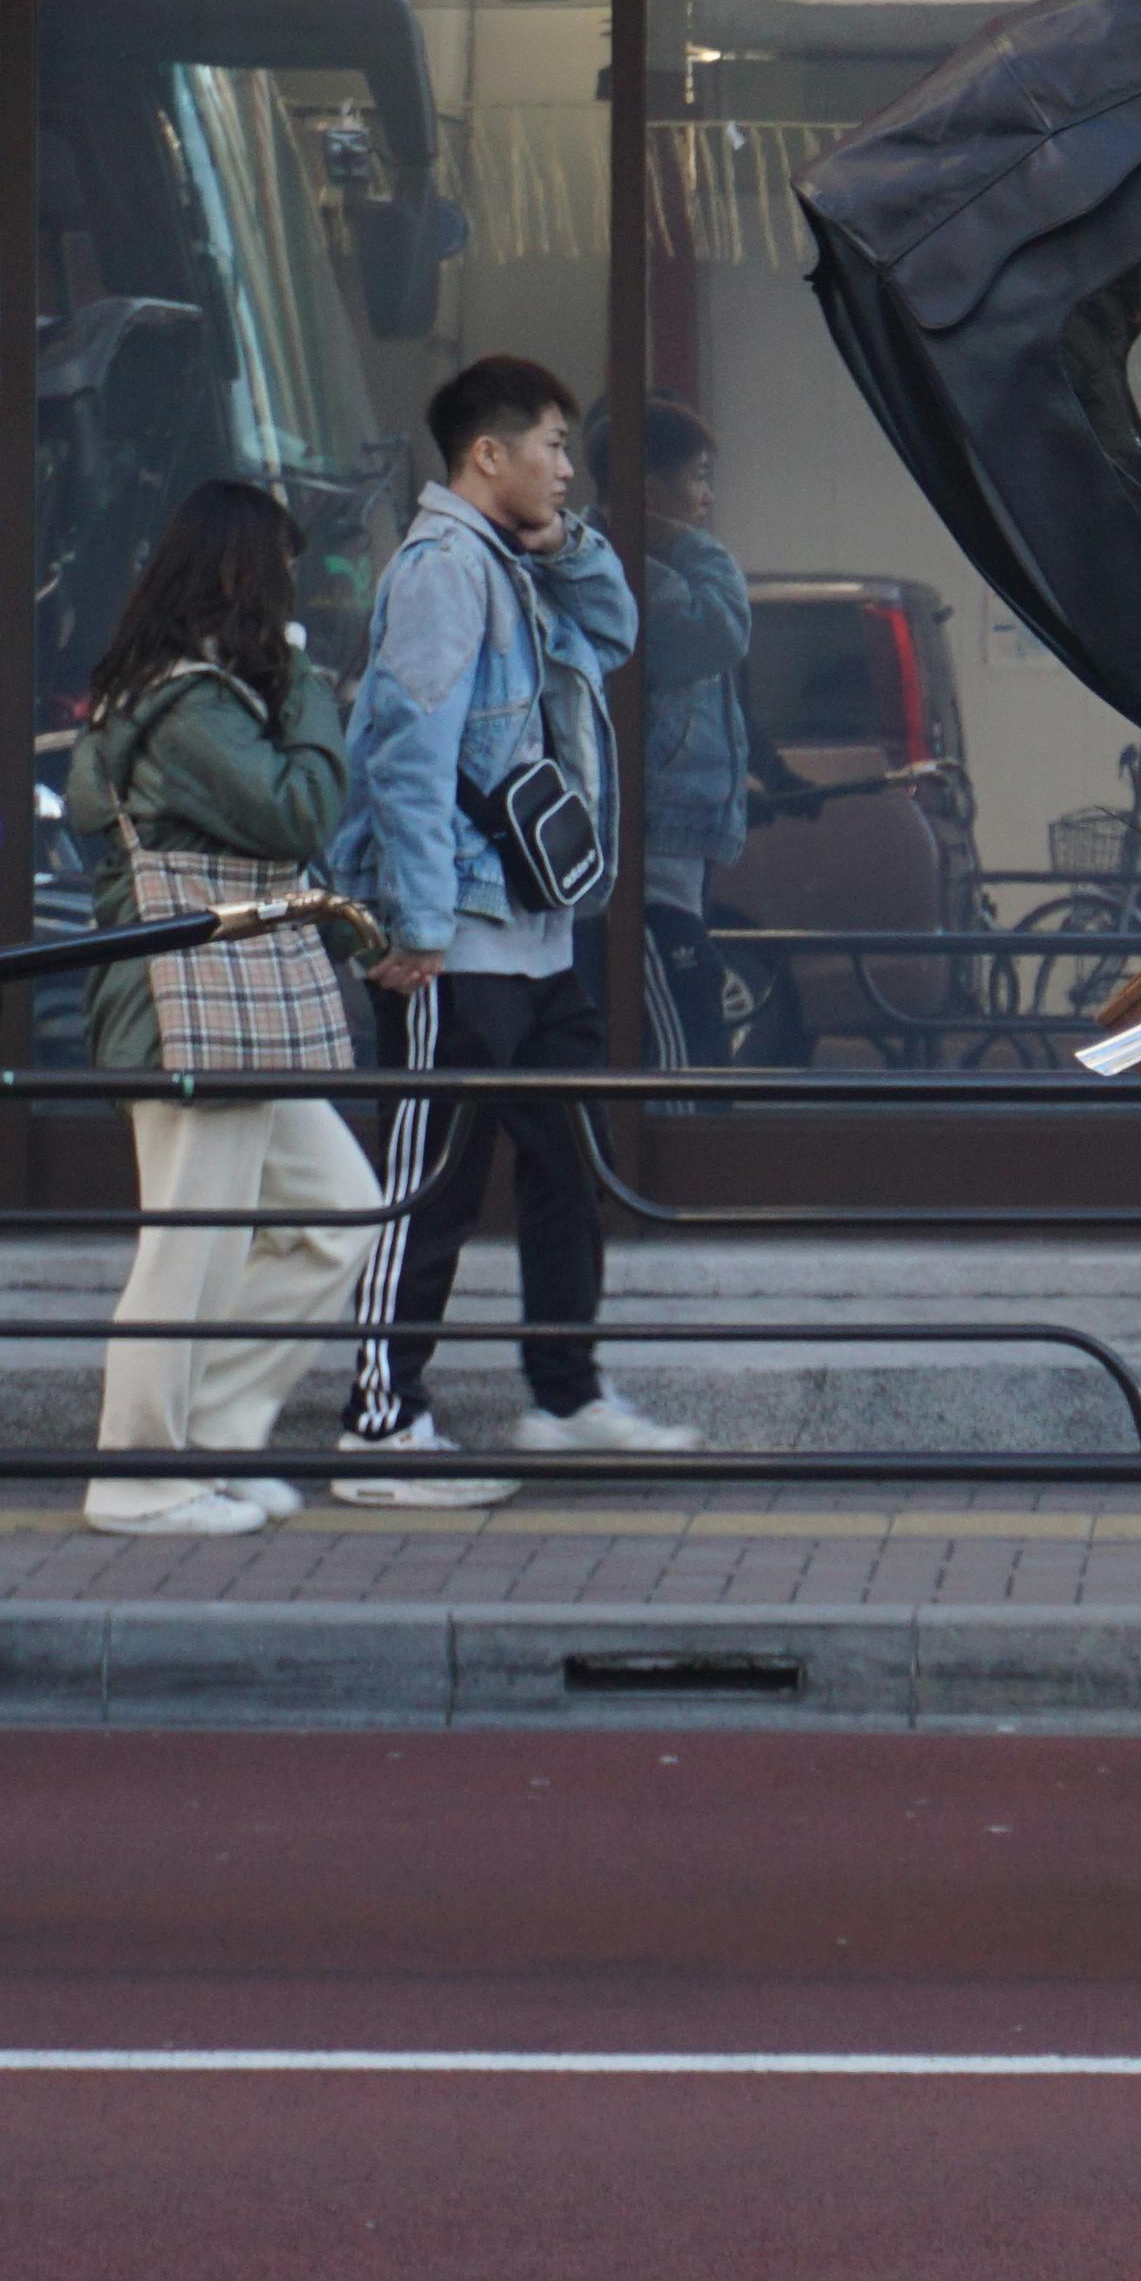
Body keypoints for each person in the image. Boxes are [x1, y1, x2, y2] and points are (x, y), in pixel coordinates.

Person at [330, 353, 696, 1487]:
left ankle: (565, 1394)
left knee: (562, 1160)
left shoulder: (516, 562)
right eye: (552, 446)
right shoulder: (443, 567)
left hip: (534, 934)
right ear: (488, 453)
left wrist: (568, 545)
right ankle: (381, 1421)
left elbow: (623, 630)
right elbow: (407, 752)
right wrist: (422, 925)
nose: (568, 471)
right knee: (434, 1174)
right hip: (462, 937)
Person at [71, 478, 378, 1535]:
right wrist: (309, 685)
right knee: (190, 1245)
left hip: (226, 997)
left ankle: (207, 1438)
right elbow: (298, 806)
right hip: (184, 998)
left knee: (340, 1212)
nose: (296, 592)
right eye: (284, 571)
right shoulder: (187, 701)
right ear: (248, 574)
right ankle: (140, 1476)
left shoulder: (185, 691)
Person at [629, 401, 759, 1069]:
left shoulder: (658, 573)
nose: (707, 498)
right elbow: (723, 630)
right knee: (690, 1047)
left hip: (676, 852)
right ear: (650, 492)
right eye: (698, 477)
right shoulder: (636, 574)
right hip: (648, 863)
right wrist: (681, 540)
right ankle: (675, 1175)